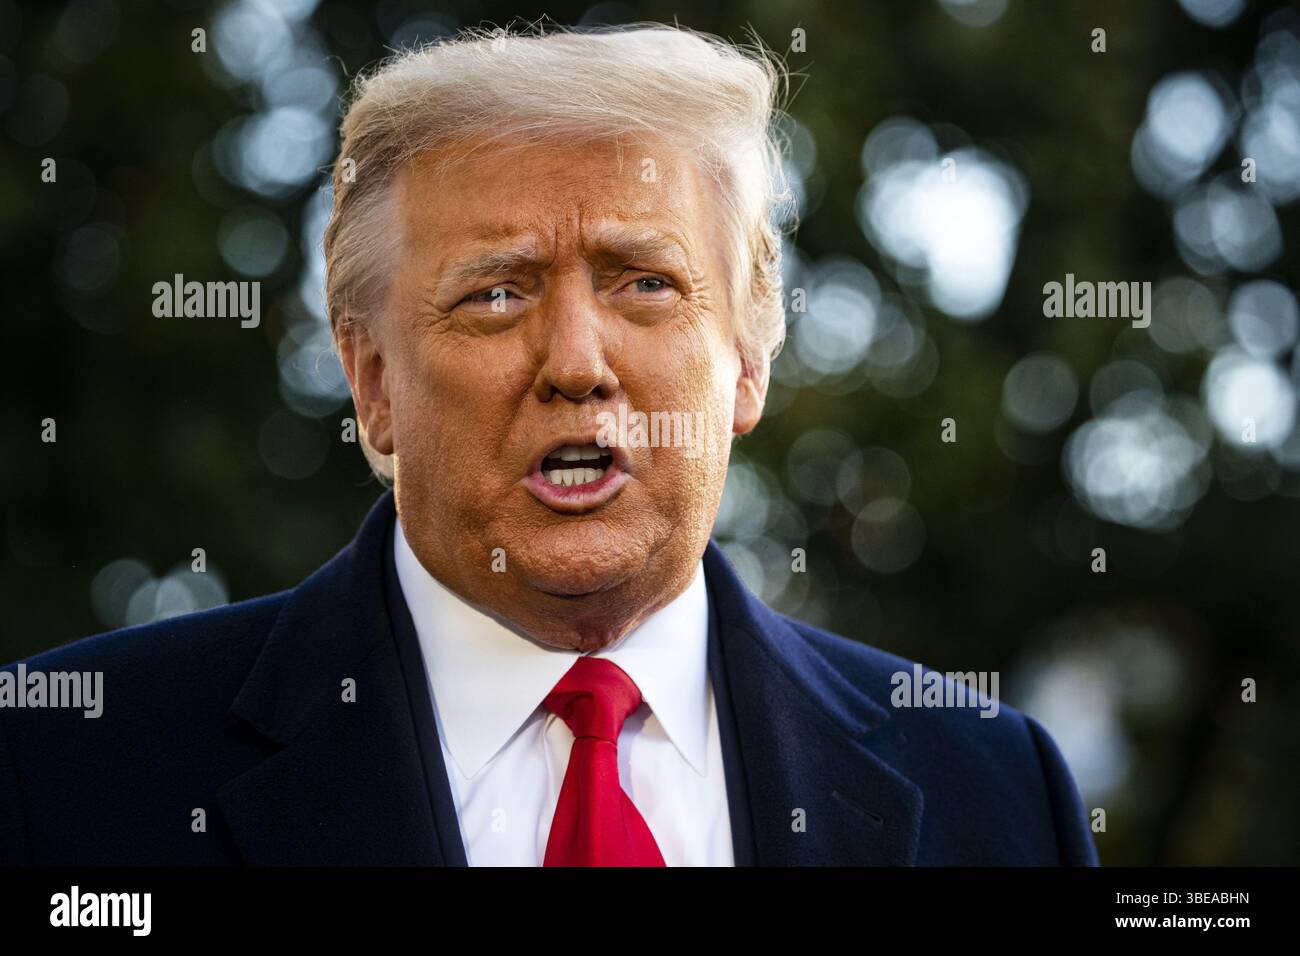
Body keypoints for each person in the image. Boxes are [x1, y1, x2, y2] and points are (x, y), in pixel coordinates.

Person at [0, 23, 1097, 867]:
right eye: (496, 292)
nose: (576, 360)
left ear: (748, 362)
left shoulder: (994, 789)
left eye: (646, 283)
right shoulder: (61, 771)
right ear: (373, 381)